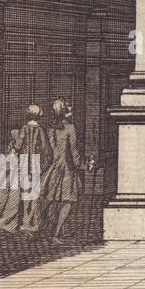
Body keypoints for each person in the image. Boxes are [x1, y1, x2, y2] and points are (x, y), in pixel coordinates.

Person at [0, 103, 49, 234]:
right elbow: (45, 148)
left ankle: (20, 222)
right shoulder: (41, 130)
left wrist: (14, 150)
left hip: (23, 161)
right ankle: (30, 223)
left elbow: (18, 145)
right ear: (39, 115)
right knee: (31, 193)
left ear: (28, 114)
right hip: (35, 162)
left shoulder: (24, 128)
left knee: (21, 192)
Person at [41, 98, 92, 243]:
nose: (71, 108)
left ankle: (54, 231)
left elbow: (47, 151)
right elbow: (74, 151)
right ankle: (56, 234)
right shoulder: (70, 128)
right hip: (65, 168)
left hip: (52, 167)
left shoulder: (49, 129)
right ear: (64, 111)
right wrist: (82, 165)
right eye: (68, 107)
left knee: (52, 200)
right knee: (67, 201)